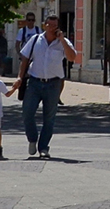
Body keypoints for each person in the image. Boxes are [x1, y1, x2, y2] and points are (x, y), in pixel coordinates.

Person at [16, 15, 81, 159]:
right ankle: (32, 138)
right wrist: (20, 77)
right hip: (34, 81)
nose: (52, 28)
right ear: (44, 25)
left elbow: (72, 58)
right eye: (49, 25)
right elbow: (25, 59)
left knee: (49, 118)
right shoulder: (35, 40)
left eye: (54, 26)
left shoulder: (63, 42)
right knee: (27, 113)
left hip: (53, 83)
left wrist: (62, 40)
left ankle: (43, 147)